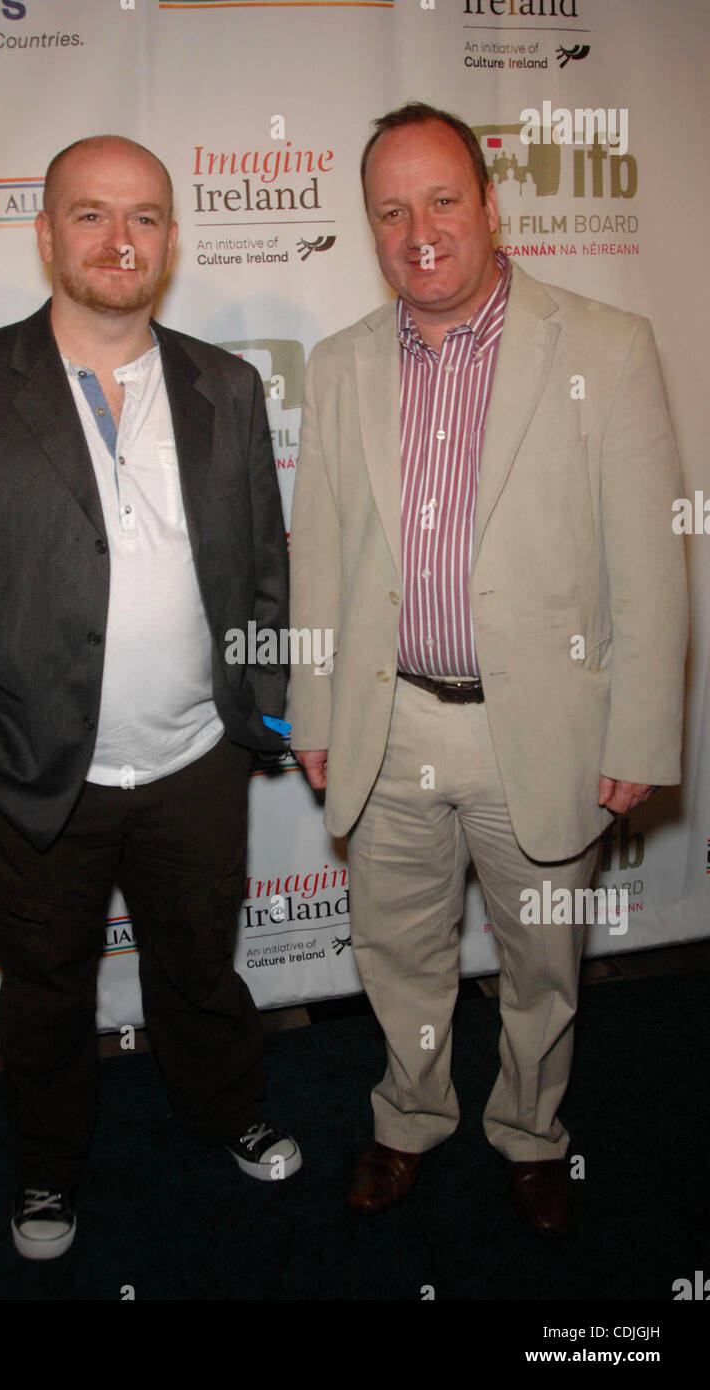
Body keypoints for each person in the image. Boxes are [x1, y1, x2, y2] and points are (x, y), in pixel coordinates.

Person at [0, 135, 300, 1261]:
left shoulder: (226, 383)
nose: (121, 240)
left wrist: (257, 711)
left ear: (169, 236)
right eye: (91, 215)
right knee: (46, 991)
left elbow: (264, 564)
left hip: (196, 765)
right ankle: (49, 1171)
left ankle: (225, 1108)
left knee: (200, 968)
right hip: (31, 771)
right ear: (46, 233)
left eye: (146, 217)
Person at [289, 102, 686, 1235]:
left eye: (441, 198)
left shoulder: (604, 347)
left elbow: (648, 567)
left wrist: (638, 731)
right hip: (391, 722)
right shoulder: (337, 364)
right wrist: (311, 704)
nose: (419, 229)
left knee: (543, 963)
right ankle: (409, 1116)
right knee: (397, 953)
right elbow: (317, 557)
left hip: (547, 727)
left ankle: (529, 1130)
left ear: (489, 203)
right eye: (390, 209)